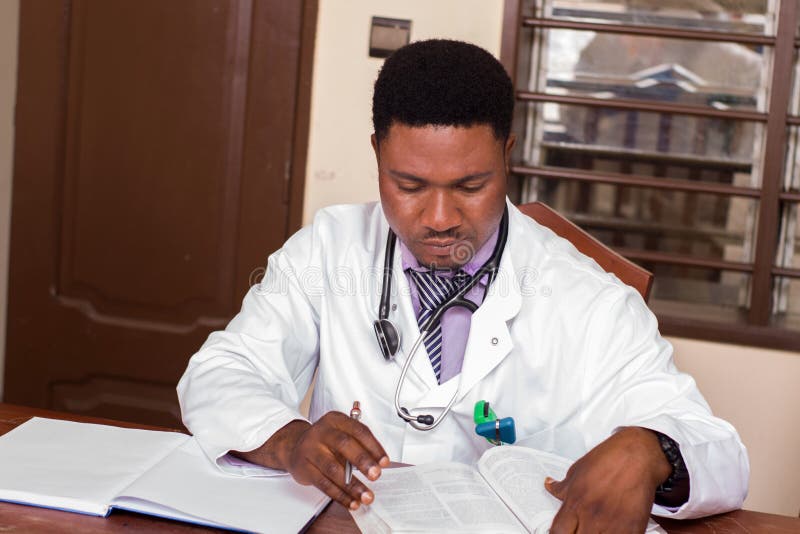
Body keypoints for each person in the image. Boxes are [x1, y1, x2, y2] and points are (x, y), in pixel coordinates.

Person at [177, 39, 748, 532]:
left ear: (508, 155)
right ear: (377, 154)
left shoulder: (589, 299)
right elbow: (218, 374)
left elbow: (720, 452)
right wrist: (289, 439)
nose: (440, 217)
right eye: (409, 184)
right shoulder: (329, 249)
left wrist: (651, 451)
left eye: (471, 185)